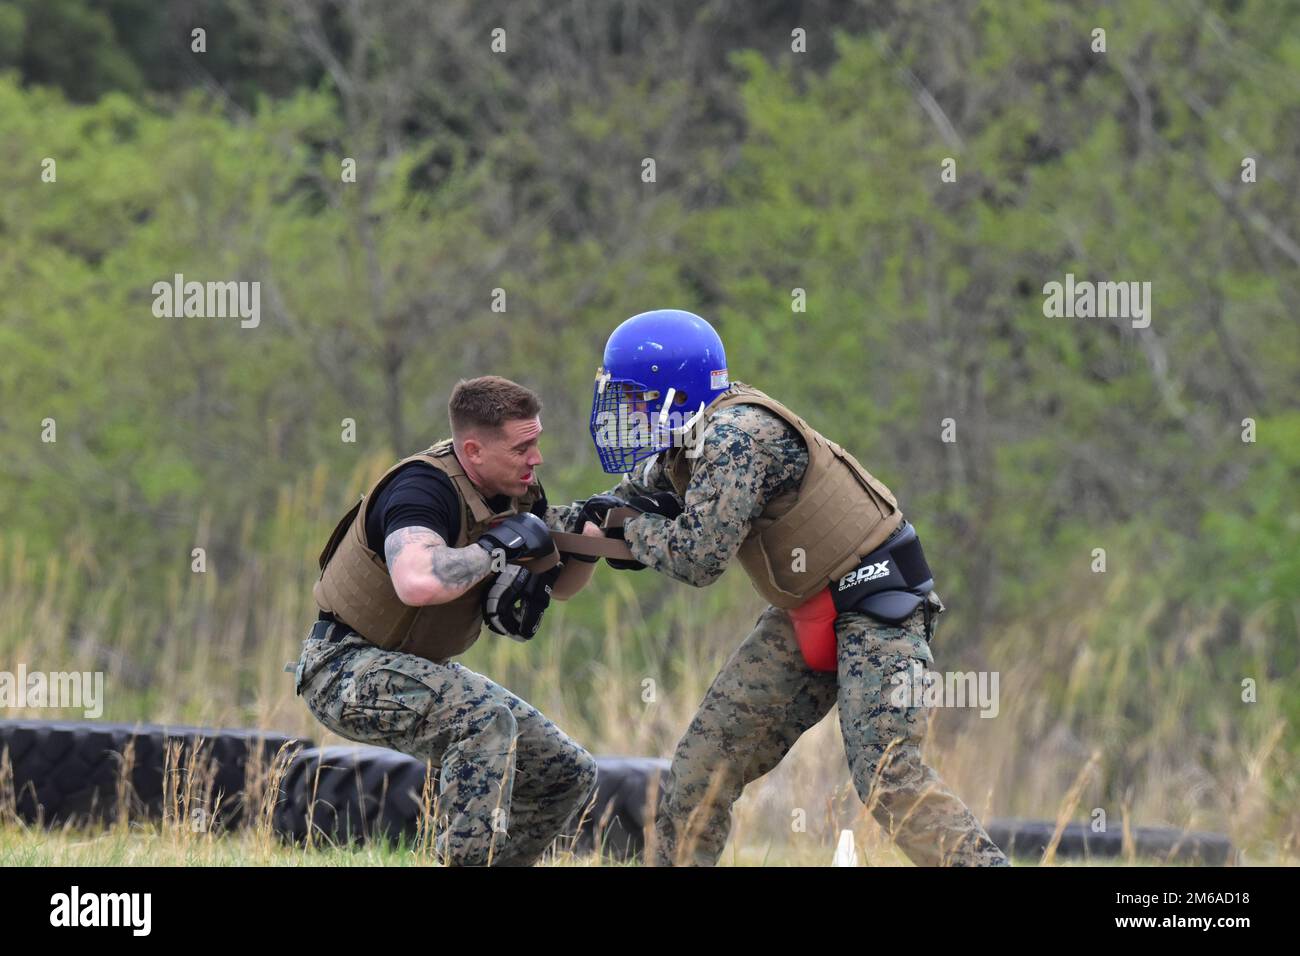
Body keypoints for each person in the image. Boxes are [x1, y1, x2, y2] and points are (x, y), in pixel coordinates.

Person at [563, 309, 1009, 866]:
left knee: (887, 776)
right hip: (808, 607)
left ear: (673, 392)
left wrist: (630, 529)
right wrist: (543, 525)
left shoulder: (734, 439)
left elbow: (697, 558)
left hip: (878, 605)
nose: (625, 412)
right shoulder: (696, 432)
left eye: (635, 397)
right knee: (700, 773)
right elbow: (627, 500)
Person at [294, 375, 603, 865]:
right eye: (523, 447)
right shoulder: (421, 488)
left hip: (421, 667)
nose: (536, 458)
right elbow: (416, 581)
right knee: (484, 722)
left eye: (537, 442)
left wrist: (591, 540)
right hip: (342, 666)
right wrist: (495, 548)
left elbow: (560, 587)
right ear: (474, 450)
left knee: (566, 772)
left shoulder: (516, 491)